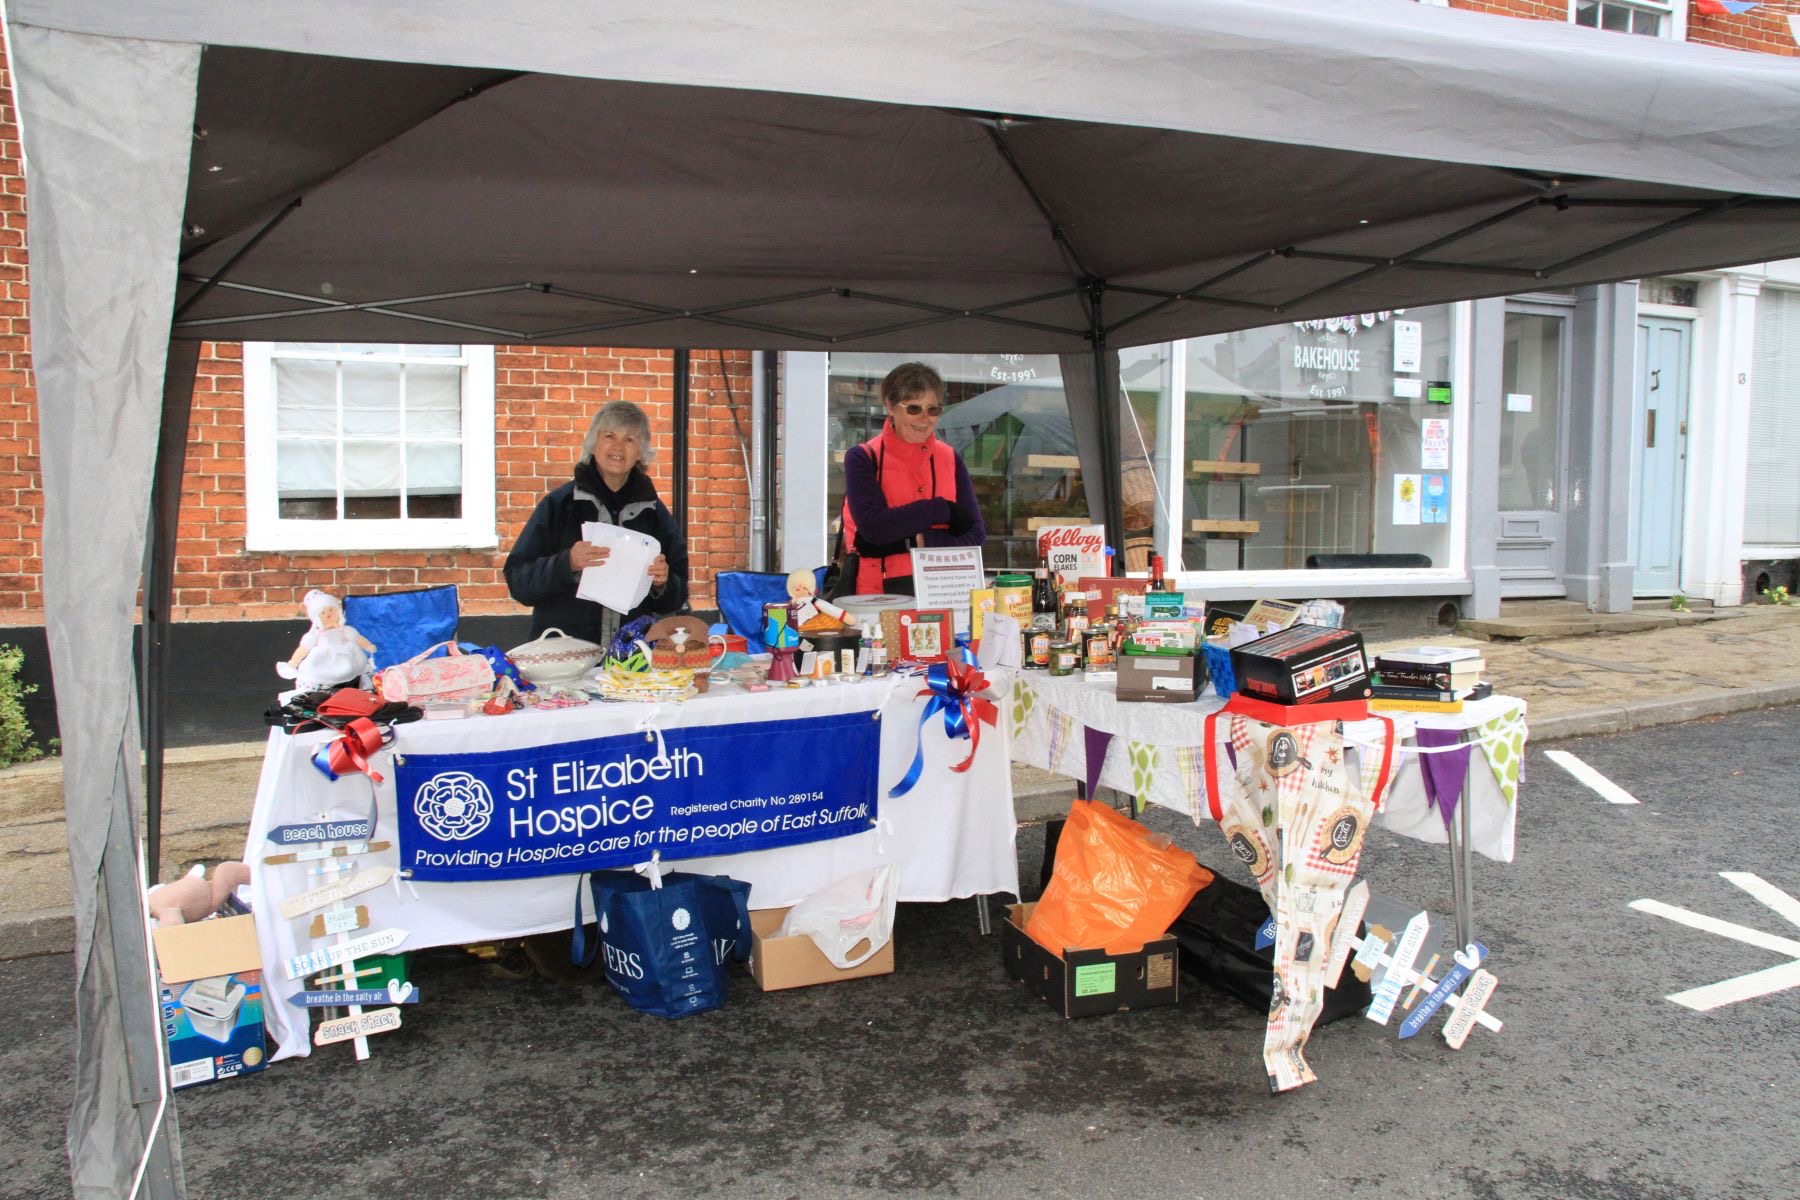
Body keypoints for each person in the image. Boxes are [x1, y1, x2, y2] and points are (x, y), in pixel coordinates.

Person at [504, 400, 689, 647]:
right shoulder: (559, 505)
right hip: (566, 659)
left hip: (631, 662)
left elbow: (676, 599)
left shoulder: (655, 515)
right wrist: (566, 562)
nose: (618, 447)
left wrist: (662, 583)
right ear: (593, 444)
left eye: (630, 439)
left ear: (640, 453)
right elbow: (518, 581)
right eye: (609, 436)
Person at [840, 362, 985, 596]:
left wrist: (917, 540)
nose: (924, 419)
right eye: (914, 408)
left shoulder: (950, 458)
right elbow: (874, 528)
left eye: (933, 409)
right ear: (890, 406)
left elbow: (976, 535)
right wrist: (942, 509)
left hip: (942, 593)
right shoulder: (863, 457)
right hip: (880, 598)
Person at [276, 589, 375, 692]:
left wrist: (368, 646)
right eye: (322, 613)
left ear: (338, 611)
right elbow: (304, 649)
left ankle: (348, 688)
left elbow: (358, 639)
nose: (328, 614)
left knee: (348, 669)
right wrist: (293, 663)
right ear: (316, 617)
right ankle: (320, 690)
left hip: (345, 655)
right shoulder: (316, 634)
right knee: (314, 670)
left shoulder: (345, 631)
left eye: (331, 610)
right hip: (323, 656)